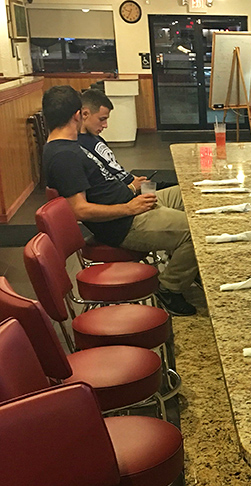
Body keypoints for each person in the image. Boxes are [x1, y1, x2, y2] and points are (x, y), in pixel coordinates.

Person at [42, 85, 198, 316]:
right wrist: (128, 208)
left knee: (190, 194)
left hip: (131, 204)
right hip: (125, 224)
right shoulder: (63, 156)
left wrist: (131, 195)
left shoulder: (69, 145)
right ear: (77, 115)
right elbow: (79, 210)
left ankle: (186, 264)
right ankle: (169, 287)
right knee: (196, 231)